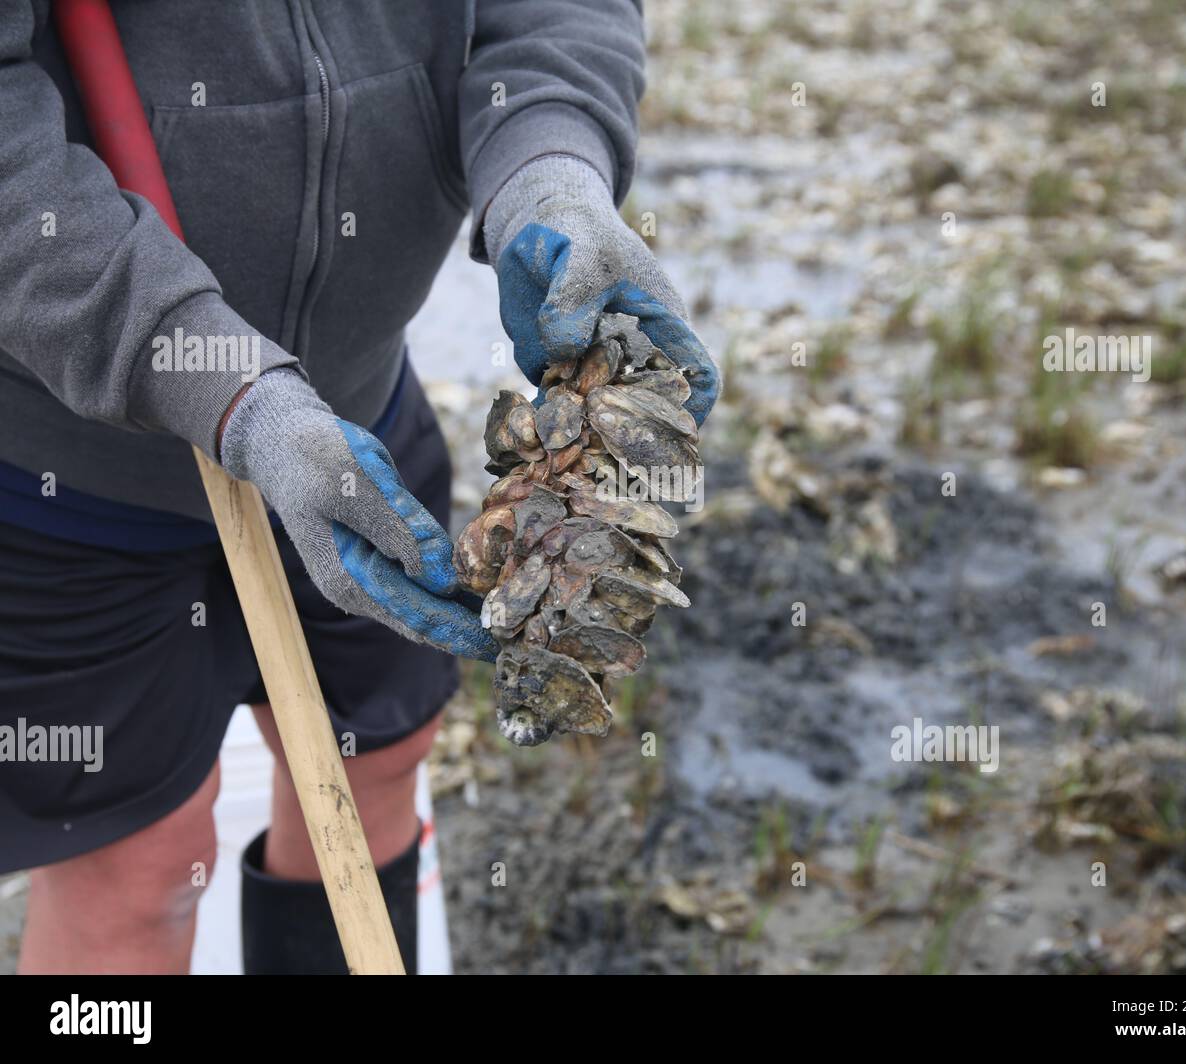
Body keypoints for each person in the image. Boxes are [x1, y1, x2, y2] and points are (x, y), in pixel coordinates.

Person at [0, 0, 718, 974]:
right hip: (61, 471)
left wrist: (551, 171)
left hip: (351, 413)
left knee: (373, 755)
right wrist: (232, 393)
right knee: (137, 864)